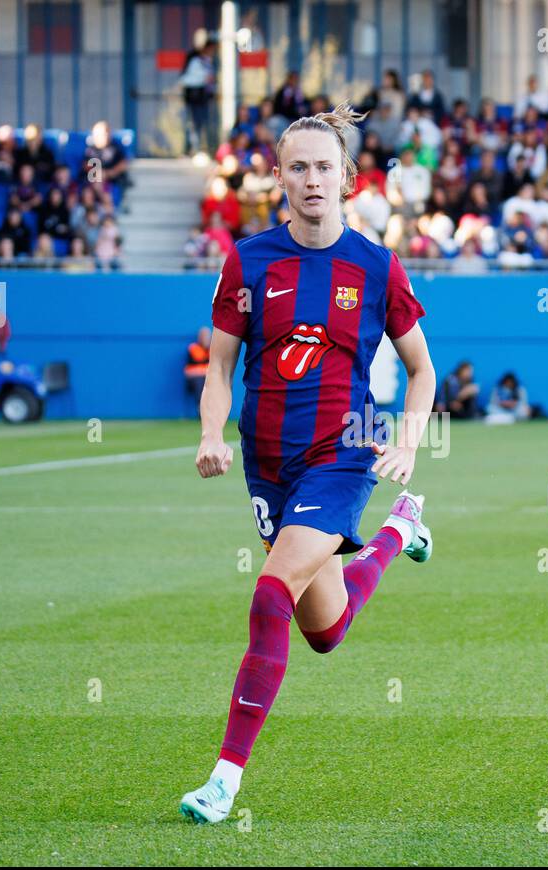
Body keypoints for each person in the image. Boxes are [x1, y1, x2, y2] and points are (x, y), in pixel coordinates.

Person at [180, 103, 437, 825]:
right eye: (299, 166)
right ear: (279, 177)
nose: (312, 178)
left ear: (348, 178)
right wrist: (210, 435)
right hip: (268, 464)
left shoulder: (378, 267)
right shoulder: (247, 261)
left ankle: (224, 780)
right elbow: (220, 368)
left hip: (345, 453)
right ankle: (399, 533)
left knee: (269, 596)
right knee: (324, 631)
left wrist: (409, 441)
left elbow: (422, 372)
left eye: (326, 166)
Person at [184, 326, 211, 407]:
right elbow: (188, 370)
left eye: (207, 336)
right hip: (195, 380)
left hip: (209, 378)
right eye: (203, 336)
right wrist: (204, 371)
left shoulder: (213, 349)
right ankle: (201, 407)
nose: (205, 338)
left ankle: (213, 407)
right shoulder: (193, 349)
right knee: (200, 381)